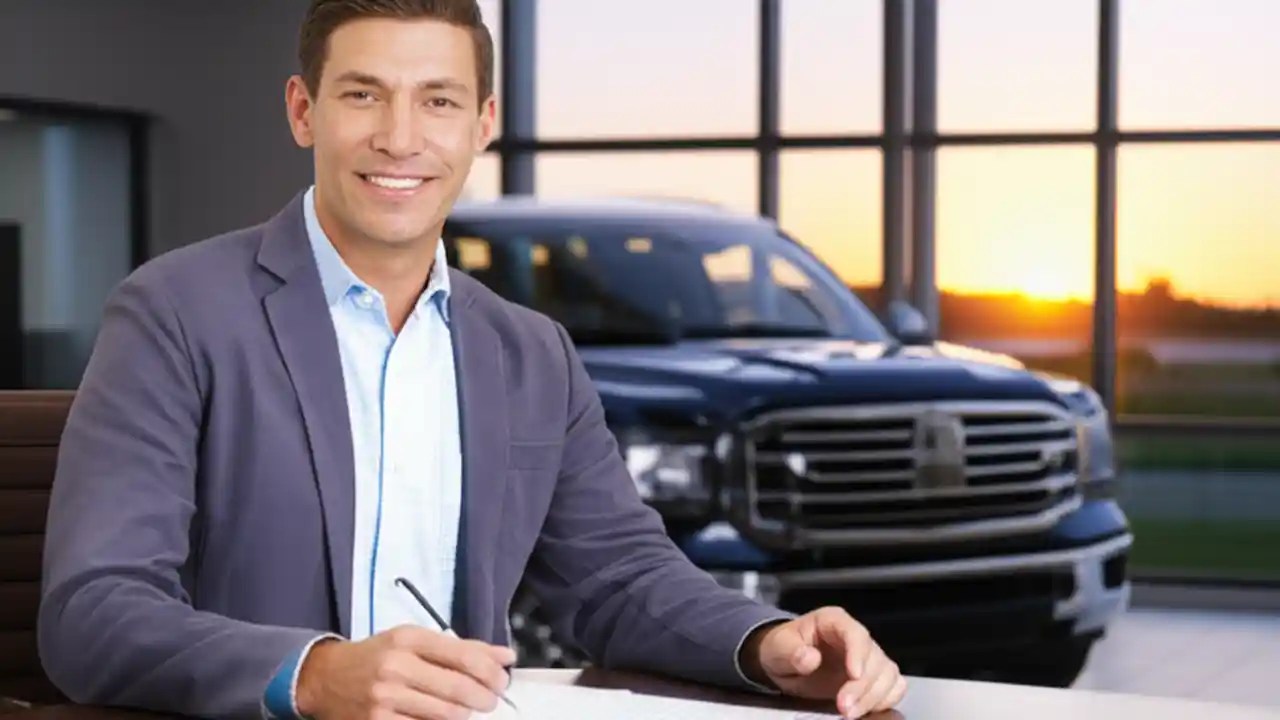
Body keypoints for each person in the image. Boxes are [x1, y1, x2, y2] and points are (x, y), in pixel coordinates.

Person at [37, 1, 906, 719]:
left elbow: (618, 579)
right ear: (304, 110)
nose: (401, 137)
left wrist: (767, 645)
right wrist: (312, 674)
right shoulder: (175, 312)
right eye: (364, 96)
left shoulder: (530, 353)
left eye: (440, 101)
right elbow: (92, 612)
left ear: (484, 122)